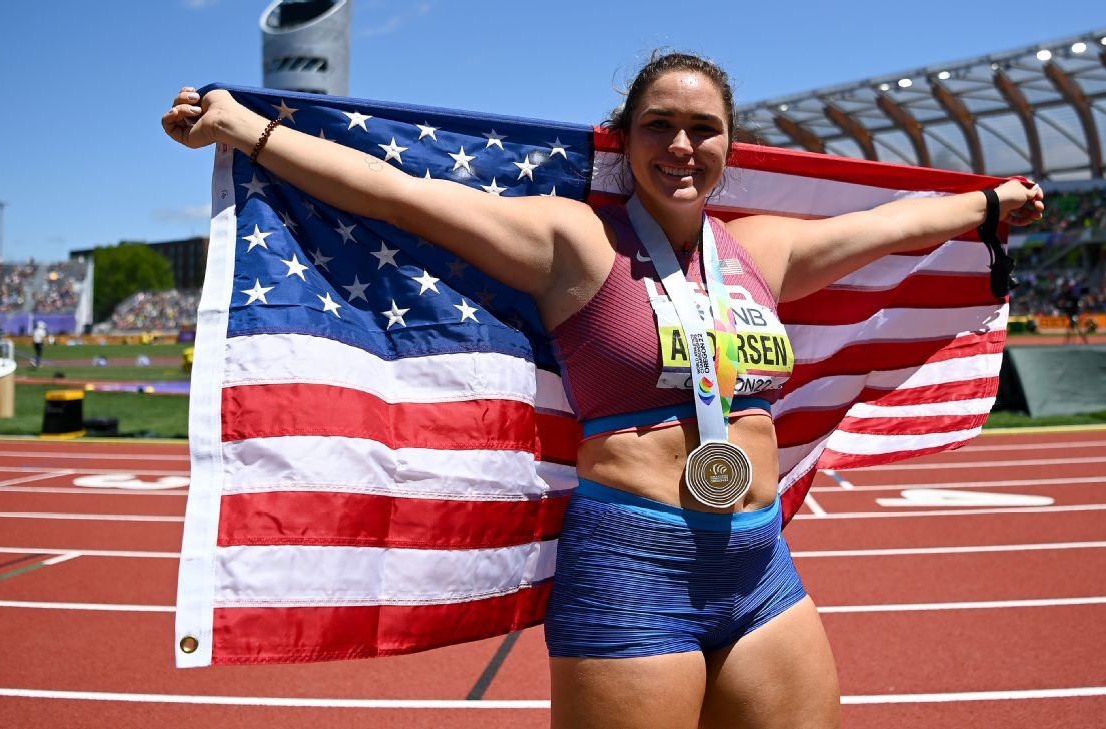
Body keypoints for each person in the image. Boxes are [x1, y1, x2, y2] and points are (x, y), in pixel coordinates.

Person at [163, 51, 1042, 729]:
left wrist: (987, 205)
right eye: (660, 126)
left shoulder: (761, 251)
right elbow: (403, 197)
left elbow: (887, 225)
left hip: (759, 562)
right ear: (623, 139)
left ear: (730, 145)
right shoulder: (577, 243)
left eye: (704, 128)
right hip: (633, 568)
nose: (683, 146)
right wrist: (248, 131)